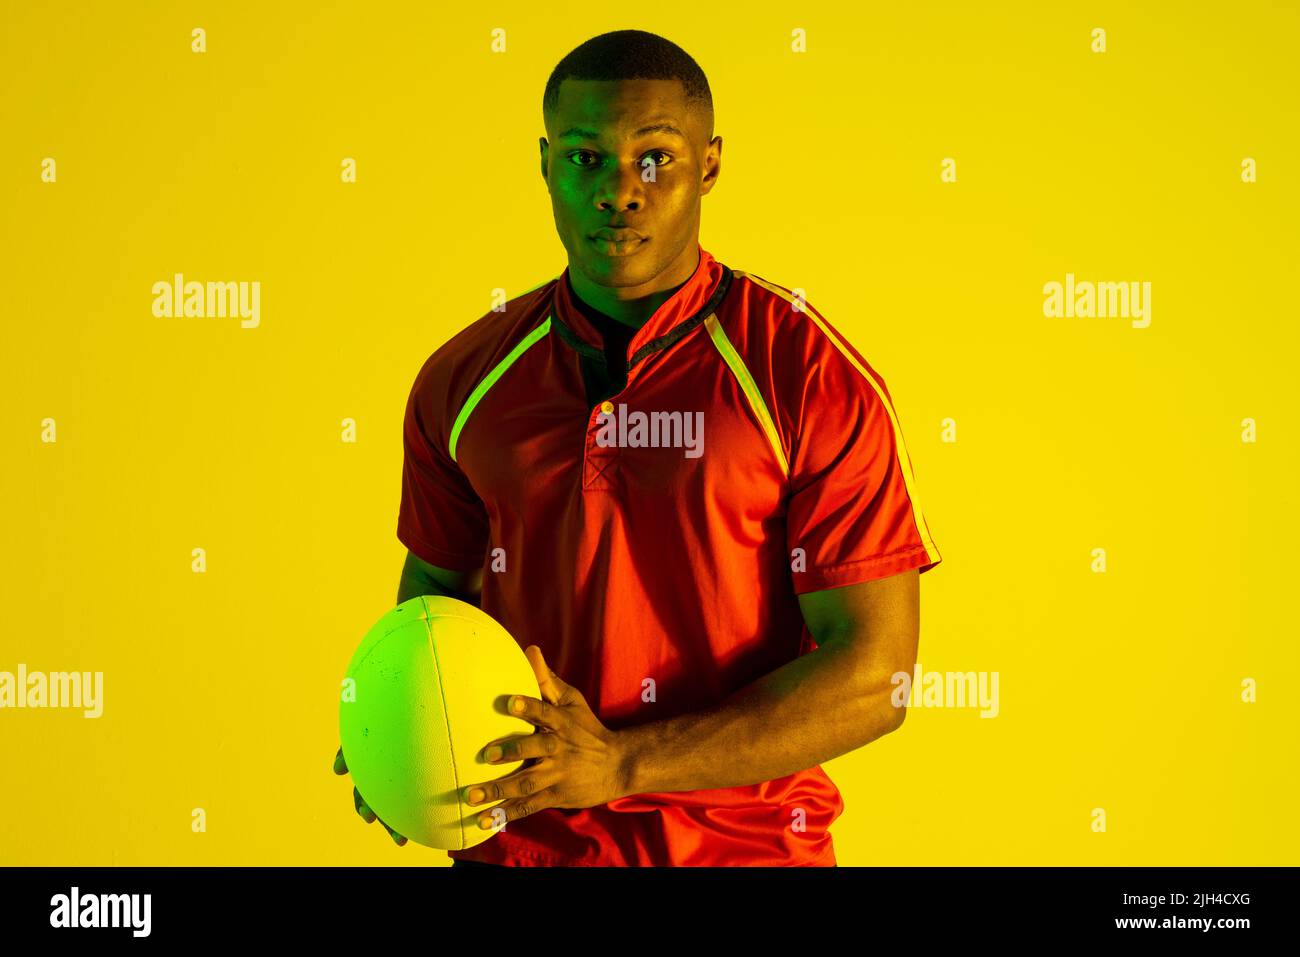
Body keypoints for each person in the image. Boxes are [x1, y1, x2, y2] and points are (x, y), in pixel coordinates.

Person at [336, 28, 942, 867]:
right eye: (586, 159)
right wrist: (394, 725)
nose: (620, 191)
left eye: (653, 157)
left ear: (712, 163)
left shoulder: (808, 375)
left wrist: (622, 762)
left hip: (745, 852)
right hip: (517, 850)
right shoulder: (463, 377)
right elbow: (436, 594)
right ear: (545, 164)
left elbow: (877, 677)